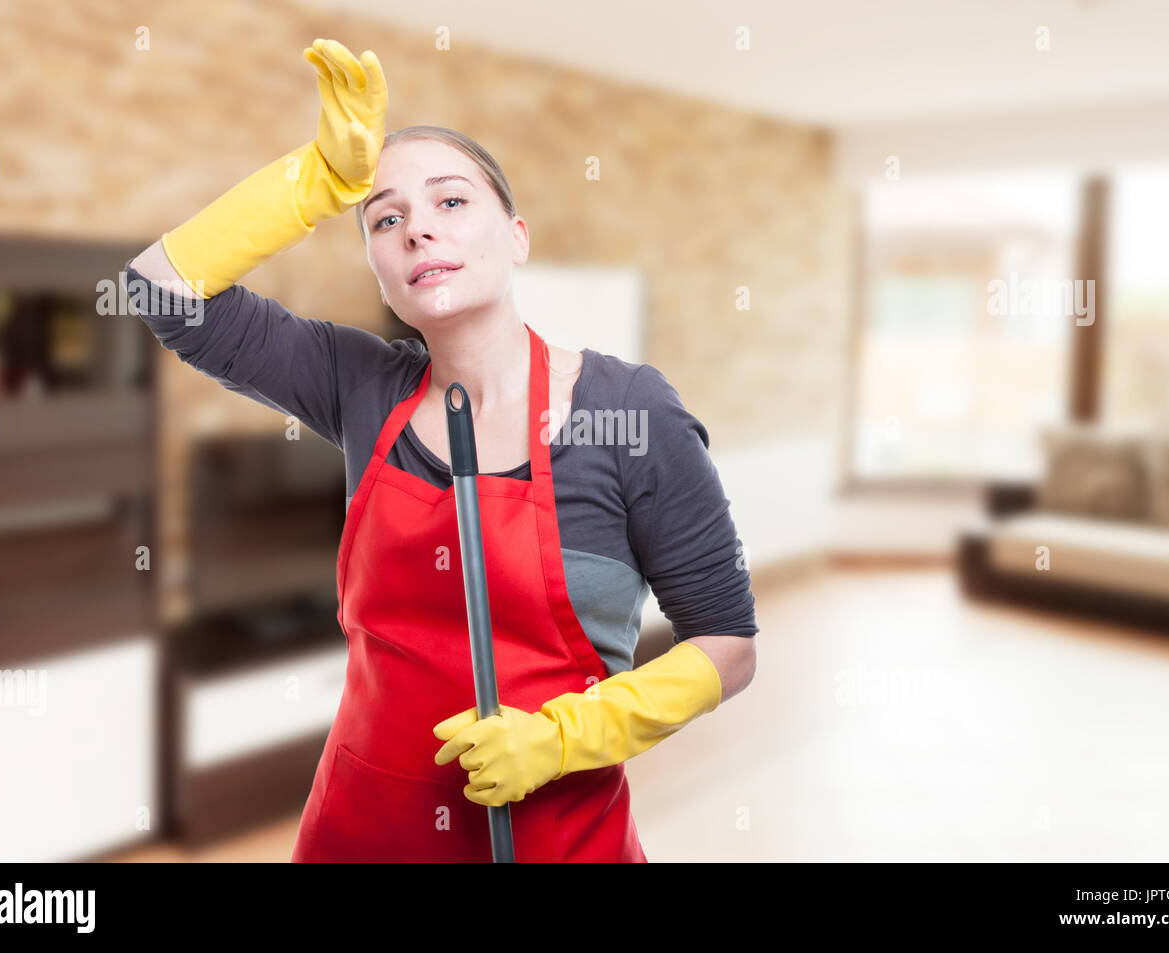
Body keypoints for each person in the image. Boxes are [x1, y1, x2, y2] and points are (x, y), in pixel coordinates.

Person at [127, 38, 758, 862]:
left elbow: (728, 644)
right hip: (358, 832)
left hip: (553, 838)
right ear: (380, 266)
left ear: (517, 237)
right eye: (386, 218)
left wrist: (565, 737)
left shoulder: (629, 413)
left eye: (451, 202)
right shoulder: (362, 387)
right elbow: (159, 289)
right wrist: (313, 182)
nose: (418, 228)